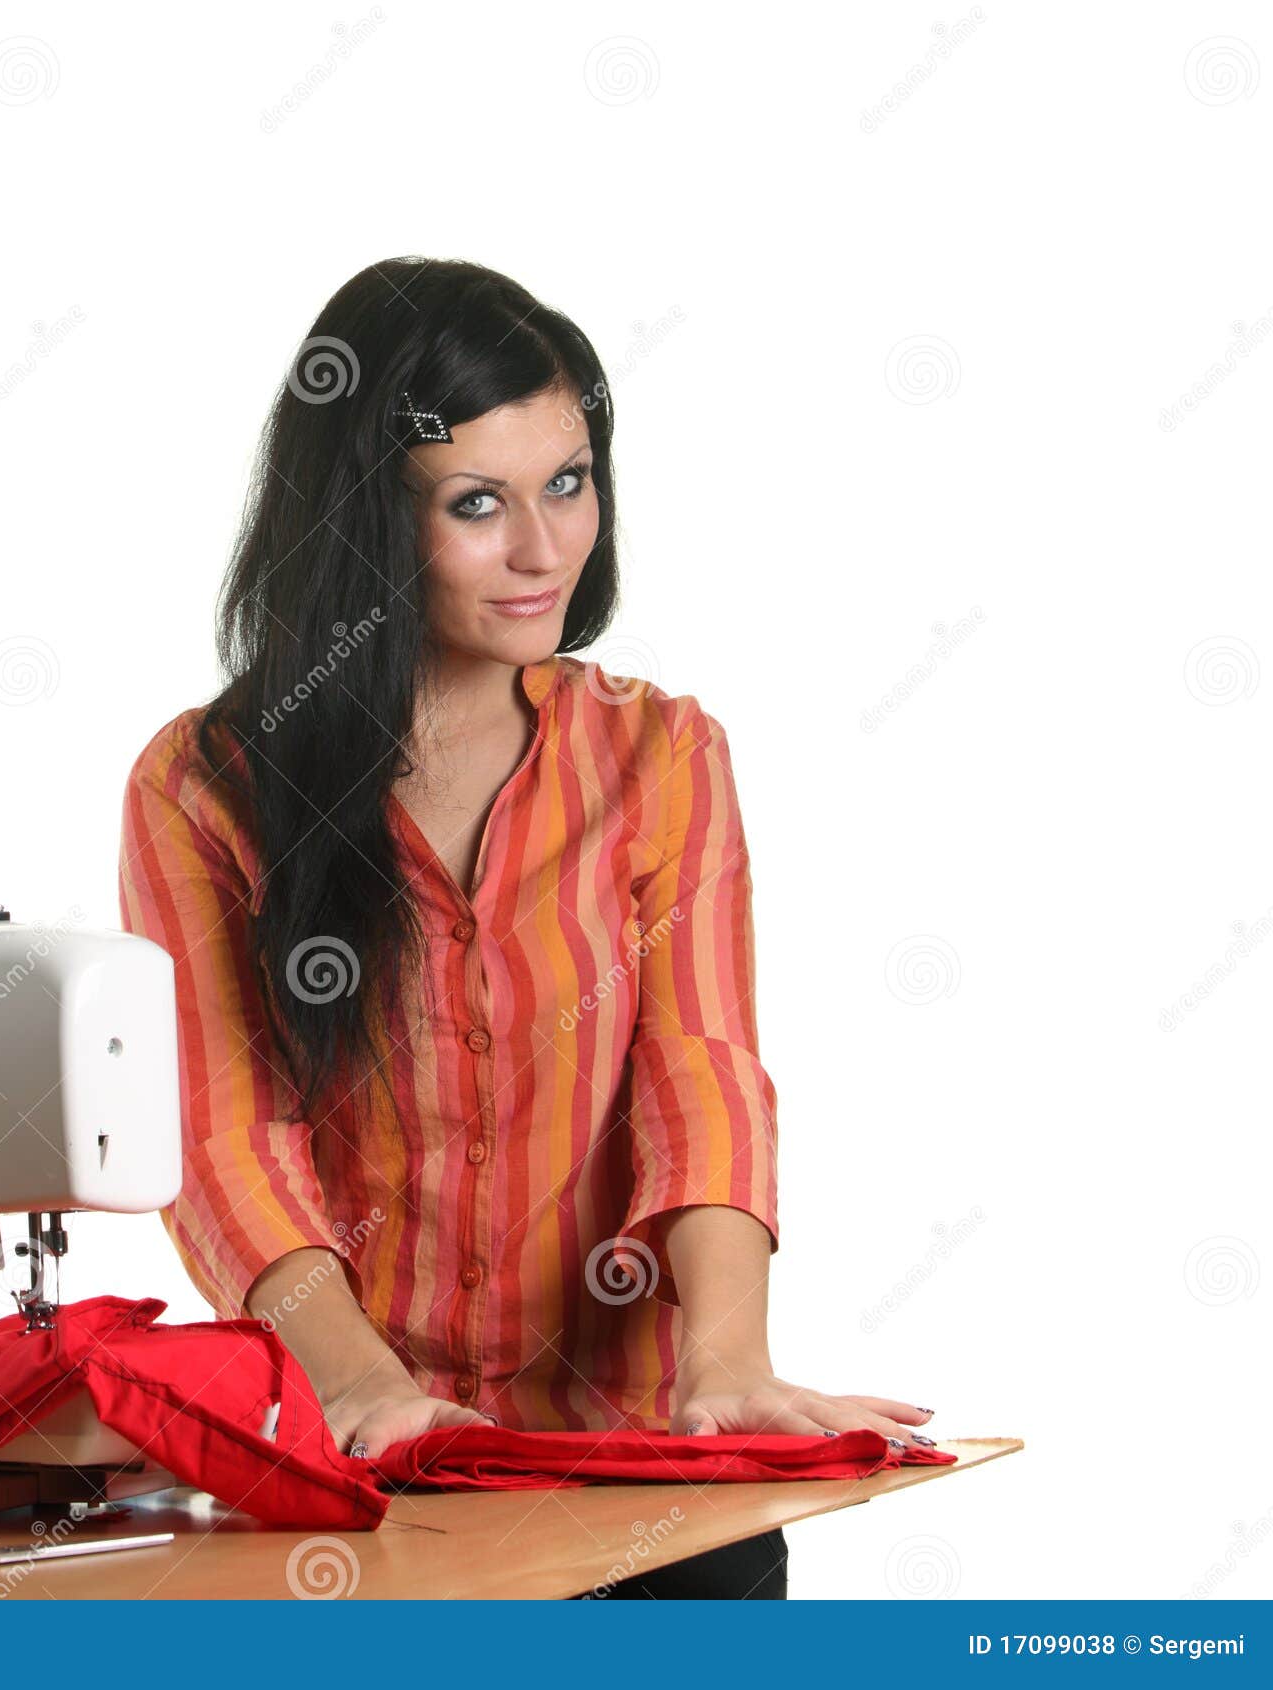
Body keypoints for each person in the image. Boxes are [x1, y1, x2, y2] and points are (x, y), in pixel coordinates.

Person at [118, 257, 935, 1598]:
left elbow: (702, 1070)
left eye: (569, 481)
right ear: (368, 524)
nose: (547, 546)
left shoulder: (661, 753)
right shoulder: (201, 787)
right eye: (477, 504)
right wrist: (371, 1392)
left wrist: (725, 1361)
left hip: (642, 1492)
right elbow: (225, 1137)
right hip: (370, 1496)